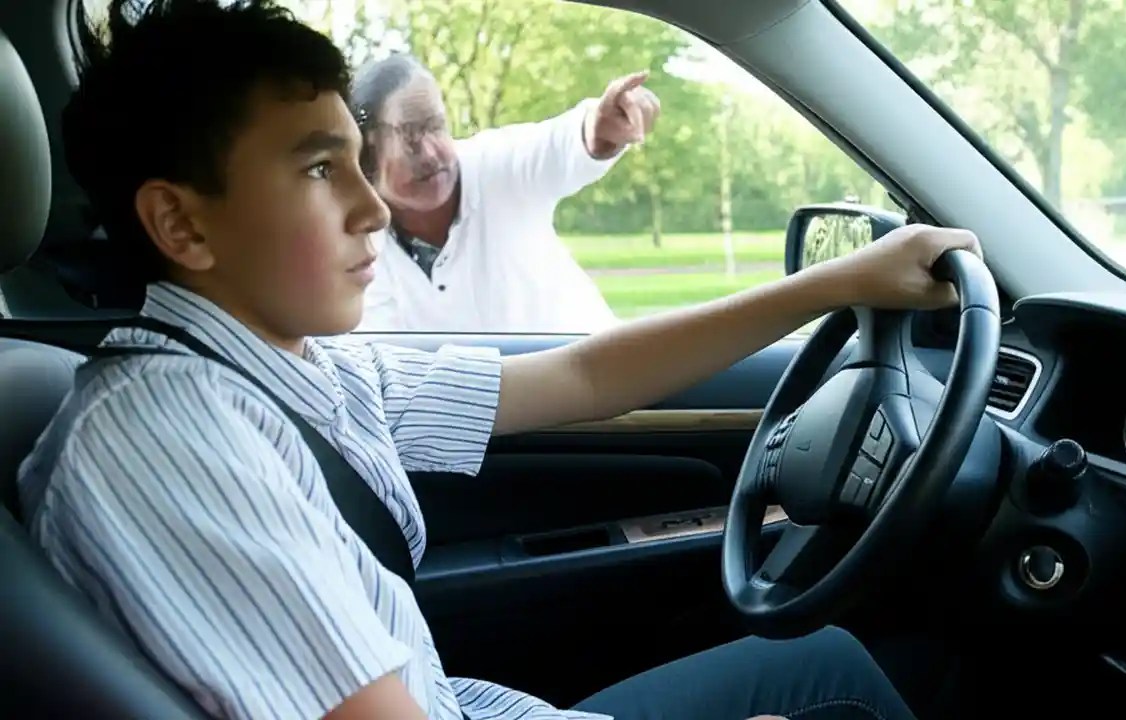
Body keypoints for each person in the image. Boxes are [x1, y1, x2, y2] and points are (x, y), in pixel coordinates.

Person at [19, 0, 978, 718]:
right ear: (181, 222)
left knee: (831, 662)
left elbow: (582, 378)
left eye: (361, 160)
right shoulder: (168, 435)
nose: (373, 206)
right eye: (319, 169)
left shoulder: (292, 371)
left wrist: (836, 283)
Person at [350, 53, 658, 334]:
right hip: (482, 396)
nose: (431, 153)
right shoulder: (358, 247)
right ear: (366, 154)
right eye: (411, 137)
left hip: (606, 384)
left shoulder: (495, 166)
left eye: (436, 126)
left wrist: (600, 128)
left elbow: (561, 144)